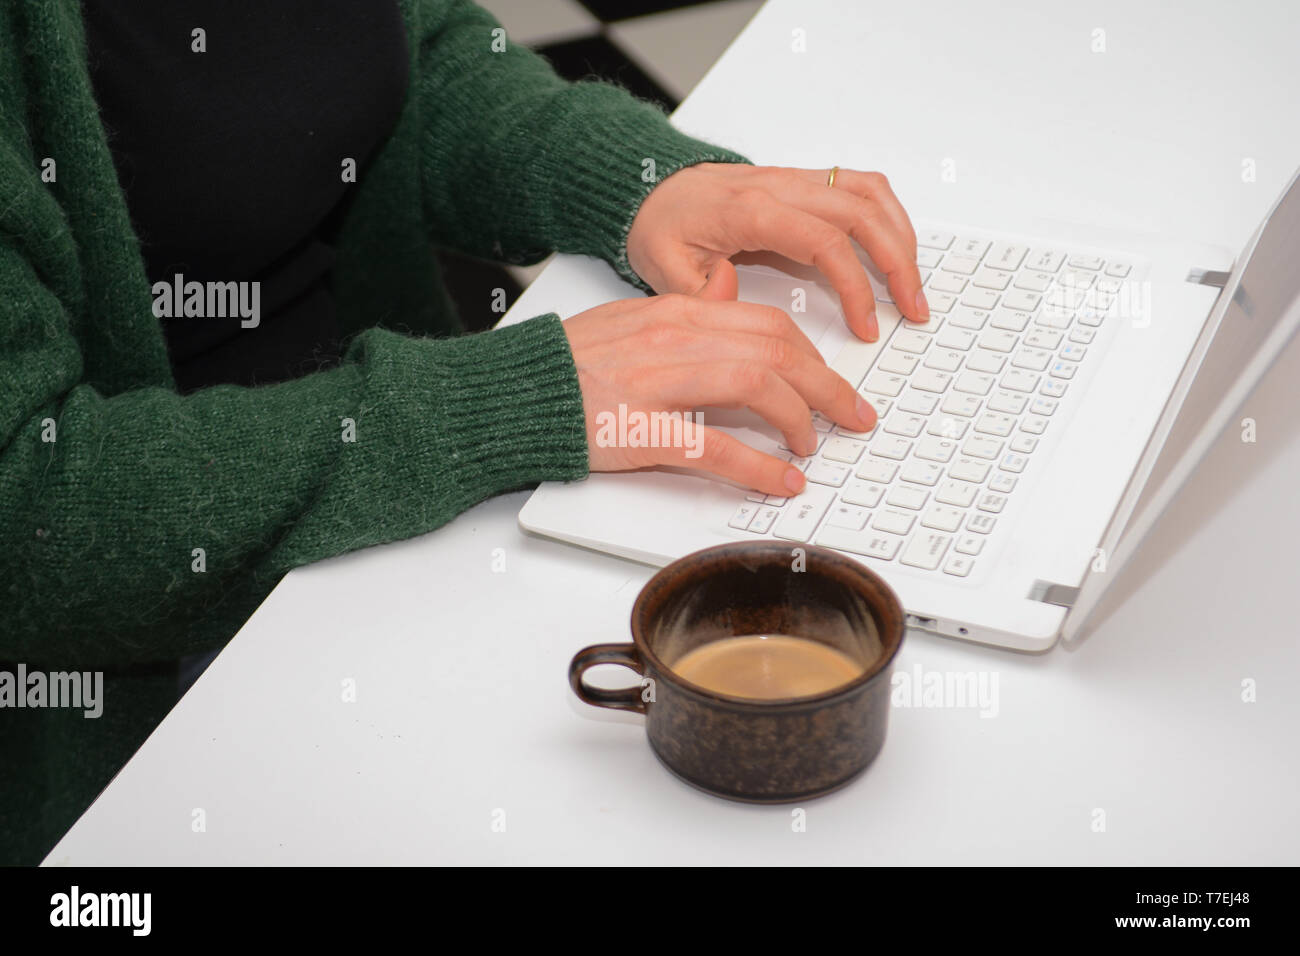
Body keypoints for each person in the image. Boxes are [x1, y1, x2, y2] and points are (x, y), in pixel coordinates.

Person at [0, 0, 927, 864]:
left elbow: (412, 57)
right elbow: (31, 507)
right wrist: (505, 399)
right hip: (149, 644)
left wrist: (638, 184)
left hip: (394, 483)